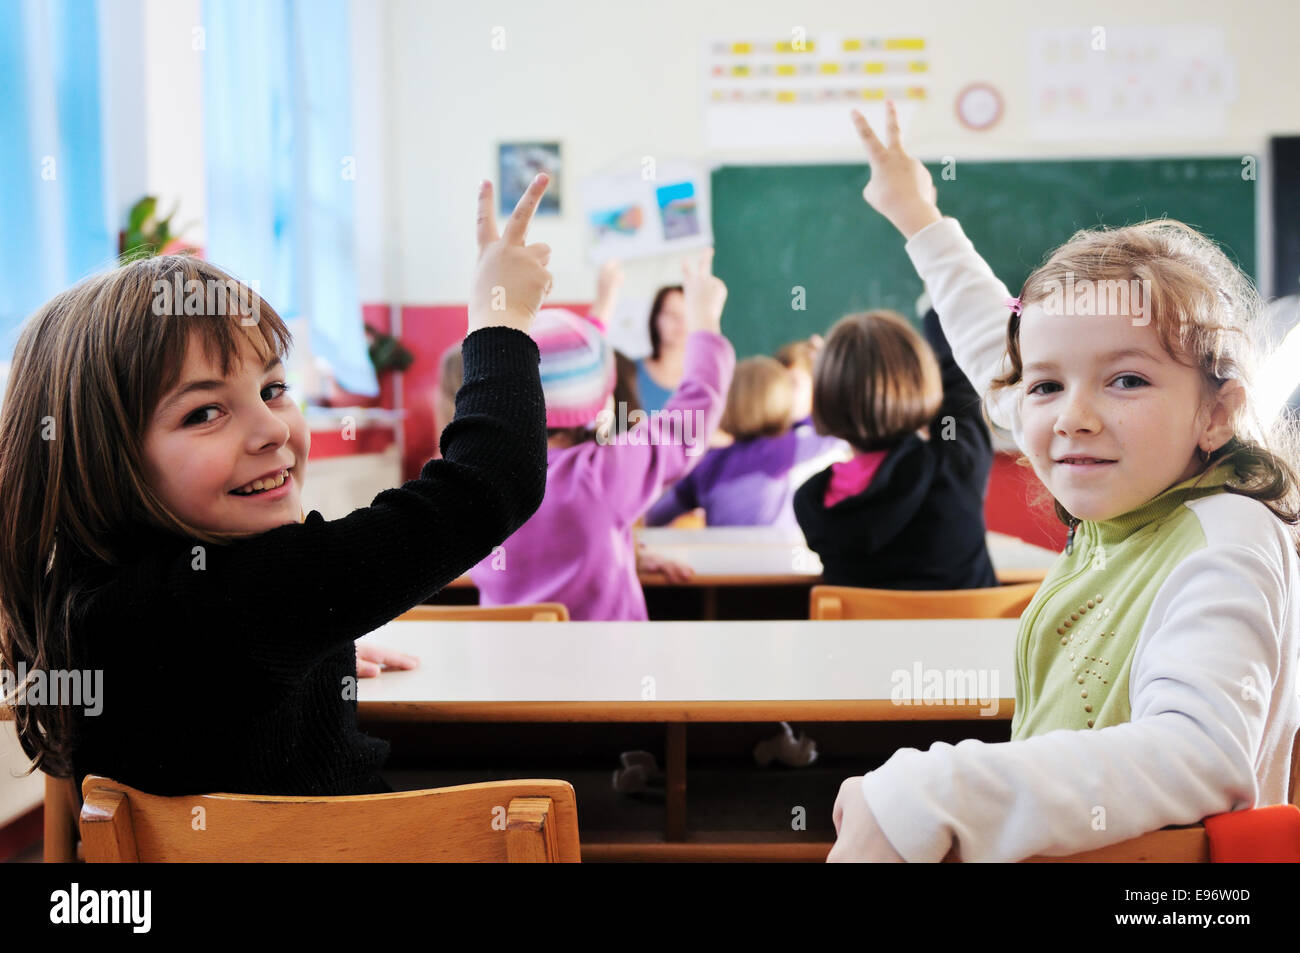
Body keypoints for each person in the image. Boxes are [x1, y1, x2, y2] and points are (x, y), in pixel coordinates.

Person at [829, 103, 1300, 862]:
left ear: (1217, 412)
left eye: (1125, 378)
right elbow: (997, 350)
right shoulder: (1144, 487)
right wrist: (918, 216)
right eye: (1045, 387)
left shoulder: (1226, 539)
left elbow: (1201, 753)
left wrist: (938, 788)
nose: (1071, 416)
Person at [0, 175, 555, 797]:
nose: (271, 430)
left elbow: (222, 658)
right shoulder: (246, 596)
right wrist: (502, 317)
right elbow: (492, 479)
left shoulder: (101, 596)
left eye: (273, 390)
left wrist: (311, 654)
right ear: (99, 457)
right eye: (204, 413)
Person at [470, 250, 735, 621]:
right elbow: (691, 417)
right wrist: (704, 321)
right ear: (602, 403)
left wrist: (626, 550)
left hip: (506, 668)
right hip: (608, 667)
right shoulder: (599, 474)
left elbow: (564, 372)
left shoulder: (475, 477)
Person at [793, 307, 998, 589]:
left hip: (862, 634)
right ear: (924, 382)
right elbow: (960, 384)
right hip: (972, 633)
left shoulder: (812, 502)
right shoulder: (955, 464)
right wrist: (937, 307)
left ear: (826, 398)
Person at [647, 355, 845, 527]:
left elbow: (654, 516)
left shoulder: (705, 464)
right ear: (783, 401)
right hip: (784, 566)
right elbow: (844, 427)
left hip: (725, 568)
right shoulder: (791, 446)